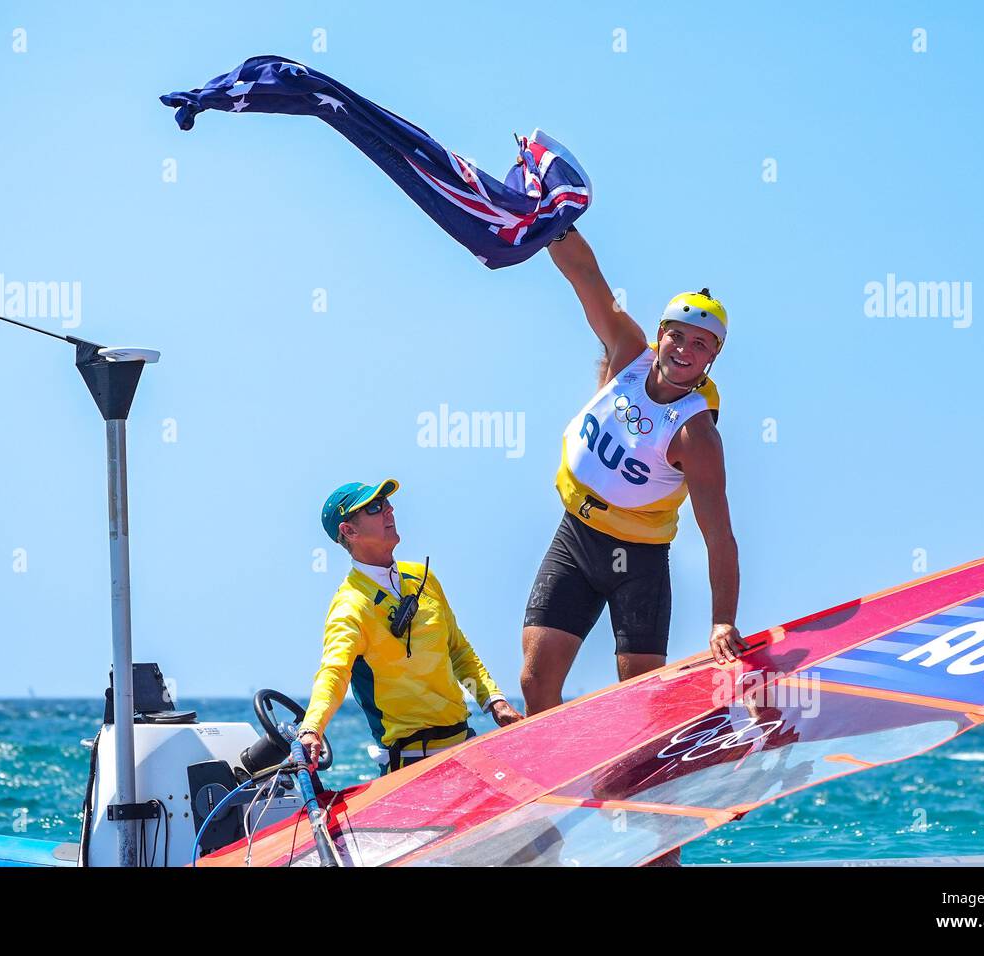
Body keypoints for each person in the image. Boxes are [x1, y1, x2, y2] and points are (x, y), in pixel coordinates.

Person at [520, 228, 749, 717]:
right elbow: (584, 274)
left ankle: (638, 789)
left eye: (701, 345)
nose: (684, 350)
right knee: (536, 680)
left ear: (713, 357)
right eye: (677, 335)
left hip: (637, 560)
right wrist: (552, 222)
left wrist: (722, 621)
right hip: (575, 538)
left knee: (641, 697)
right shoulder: (627, 351)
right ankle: (556, 788)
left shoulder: (697, 437)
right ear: (660, 333)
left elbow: (720, 537)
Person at [298, 478, 523, 773]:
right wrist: (312, 728)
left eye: (387, 503)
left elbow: (457, 651)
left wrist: (494, 702)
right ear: (349, 531)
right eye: (375, 507)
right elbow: (334, 673)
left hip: (466, 748)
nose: (389, 510)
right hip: (410, 765)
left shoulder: (423, 578)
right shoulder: (350, 606)